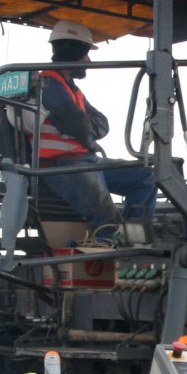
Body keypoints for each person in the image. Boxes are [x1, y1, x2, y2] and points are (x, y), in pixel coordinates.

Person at [35, 20, 156, 226]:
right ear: (75, 51)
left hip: (87, 161)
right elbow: (78, 125)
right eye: (86, 53)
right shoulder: (47, 84)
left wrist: (88, 134)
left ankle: (135, 236)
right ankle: (117, 245)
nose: (88, 60)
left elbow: (101, 123)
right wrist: (89, 136)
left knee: (147, 177)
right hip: (62, 165)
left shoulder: (71, 89)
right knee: (107, 220)